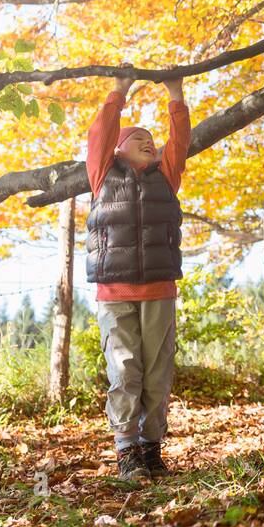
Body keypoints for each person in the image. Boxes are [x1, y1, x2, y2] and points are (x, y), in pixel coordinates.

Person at [85, 64, 190, 482]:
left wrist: (176, 96)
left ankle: (151, 446)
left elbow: (179, 141)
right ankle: (126, 449)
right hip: (115, 291)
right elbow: (100, 135)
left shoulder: (166, 176)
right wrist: (119, 91)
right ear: (119, 148)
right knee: (124, 369)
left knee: (158, 372)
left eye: (151, 140)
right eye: (138, 139)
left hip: (159, 290)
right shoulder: (101, 175)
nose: (148, 143)